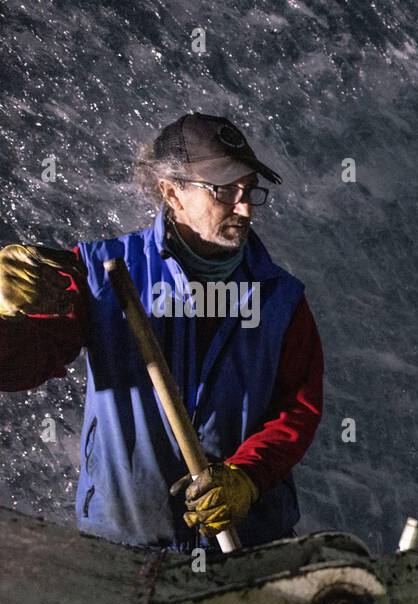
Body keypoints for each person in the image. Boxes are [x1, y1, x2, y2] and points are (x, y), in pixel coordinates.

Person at [0, 113, 323, 550]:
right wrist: (9, 320)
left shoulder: (281, 299)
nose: (244, 208)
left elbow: (297, 410)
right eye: (225, 191)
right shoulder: (100, 274)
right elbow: (24, 365)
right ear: (171, 193)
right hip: (124, 548)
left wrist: (247, 478)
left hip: (246, 549)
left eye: (249, 190)